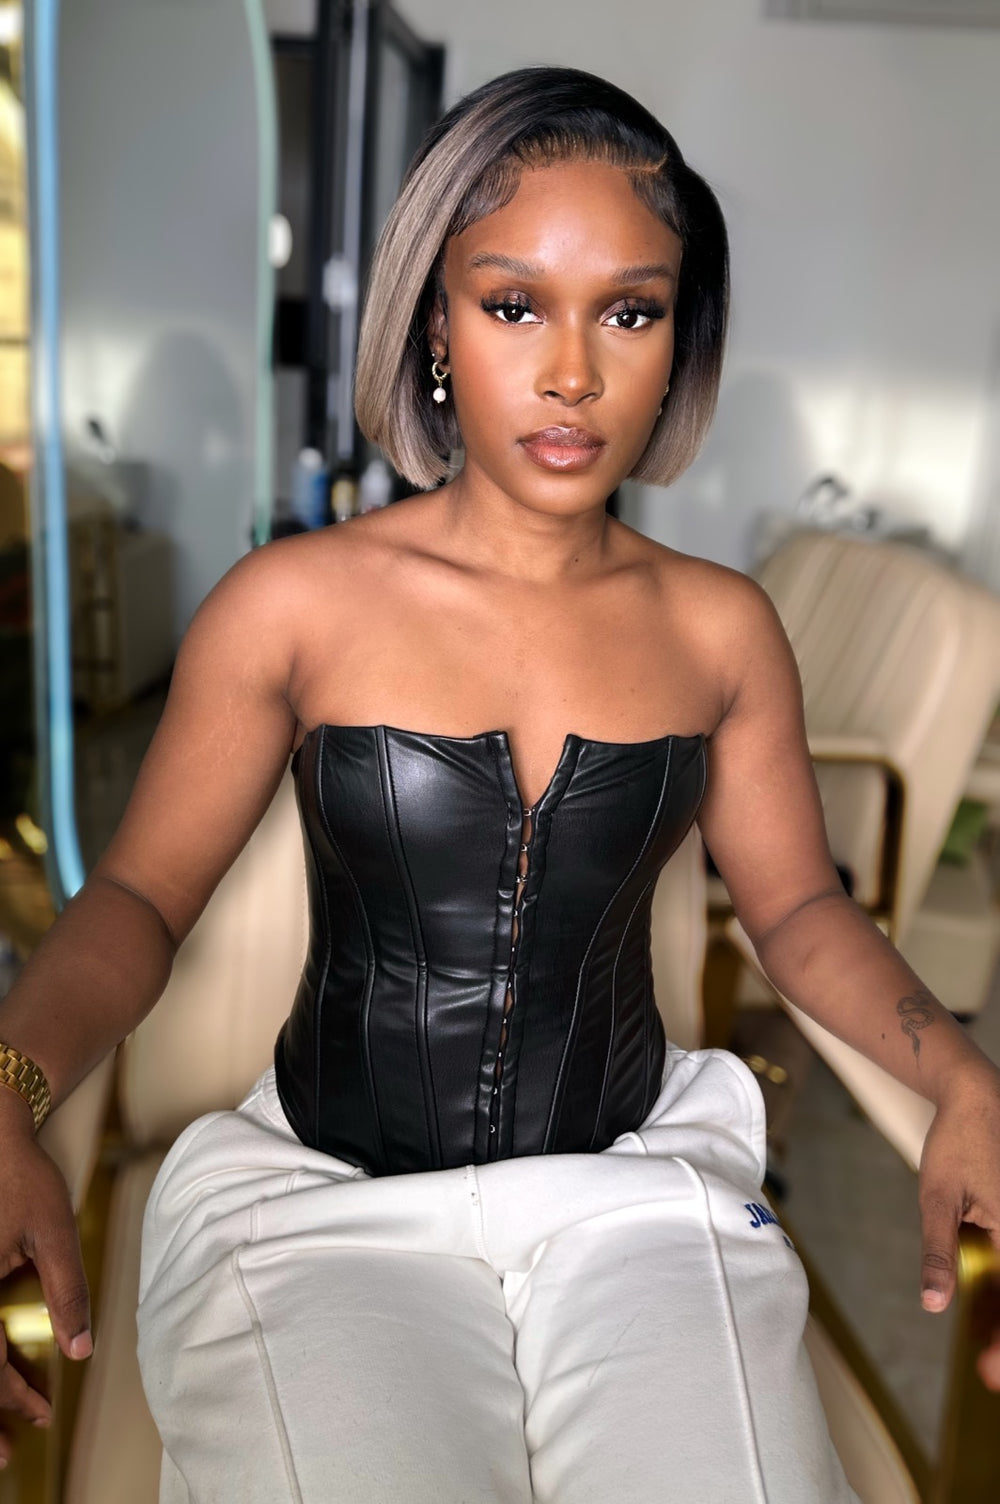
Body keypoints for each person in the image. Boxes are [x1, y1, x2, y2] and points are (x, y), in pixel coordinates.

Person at [0, 65, 998, 1504]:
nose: (572, 371)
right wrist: (8, 1087)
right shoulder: (292, 605)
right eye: (514, 304)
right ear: (434, 324)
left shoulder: (720, 629)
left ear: (680, 339)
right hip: (324, 1202)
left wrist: (962, 1075)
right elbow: (144, 899)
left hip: (636, 1194)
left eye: (630, 312)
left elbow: (797, 913)